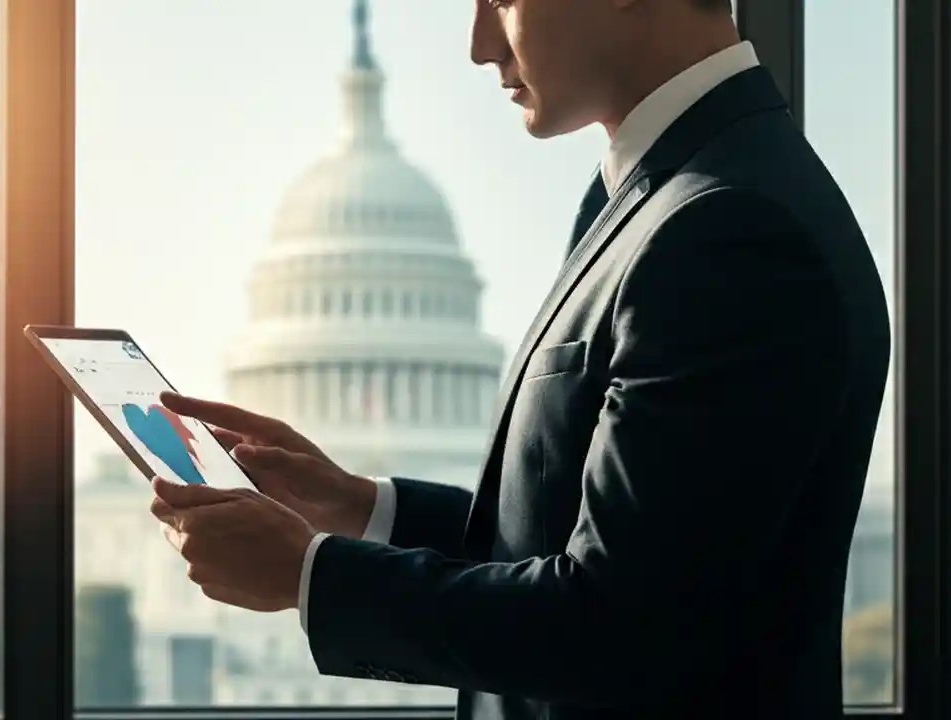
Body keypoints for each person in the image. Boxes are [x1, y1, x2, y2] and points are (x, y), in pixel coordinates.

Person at [149, 0, 891, 717]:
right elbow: (607, 546)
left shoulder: (727, 228)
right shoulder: (670, 195)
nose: (479, 44)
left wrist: (310, 573)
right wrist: (356, 507)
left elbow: (621, 626)